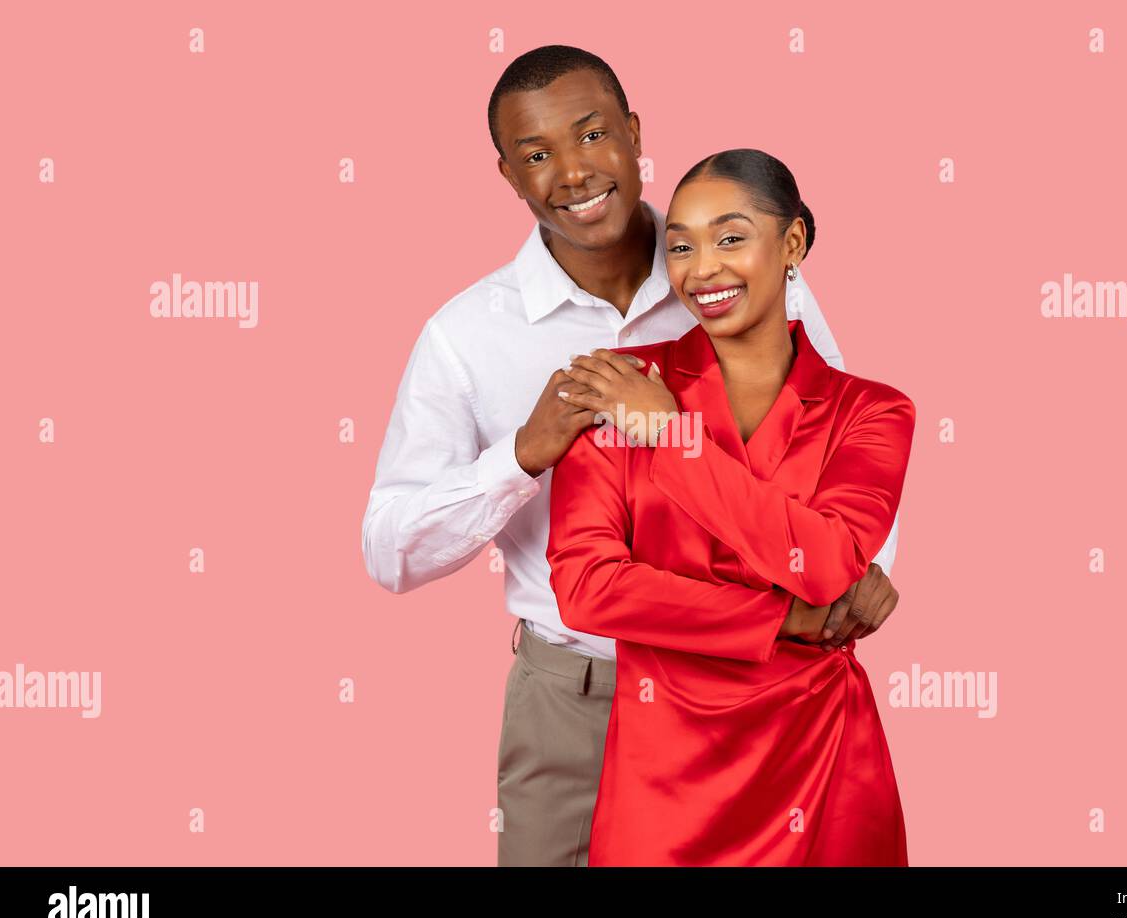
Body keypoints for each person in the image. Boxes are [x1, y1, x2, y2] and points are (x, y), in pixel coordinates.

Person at [361, 45, 904, 867]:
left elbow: (834, 435)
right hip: (577, 701)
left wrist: (852, 575)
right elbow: (390, 551)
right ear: (508, 176)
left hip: (753, 693)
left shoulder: (742, 276)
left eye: (591, 135)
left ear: (635, 133)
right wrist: (524, 454)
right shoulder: (464, 337)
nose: (573, 172)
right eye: (537, 155)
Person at [546, 148, 916, 865]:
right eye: (681, 245)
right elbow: (588, 588)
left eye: (731, 237)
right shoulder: (616, 382)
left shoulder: (872, 410)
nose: (701, 268)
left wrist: (667, 435)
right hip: (666, 771)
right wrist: (783, 617)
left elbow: (829, 564)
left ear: (794, 245)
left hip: (820, 753)